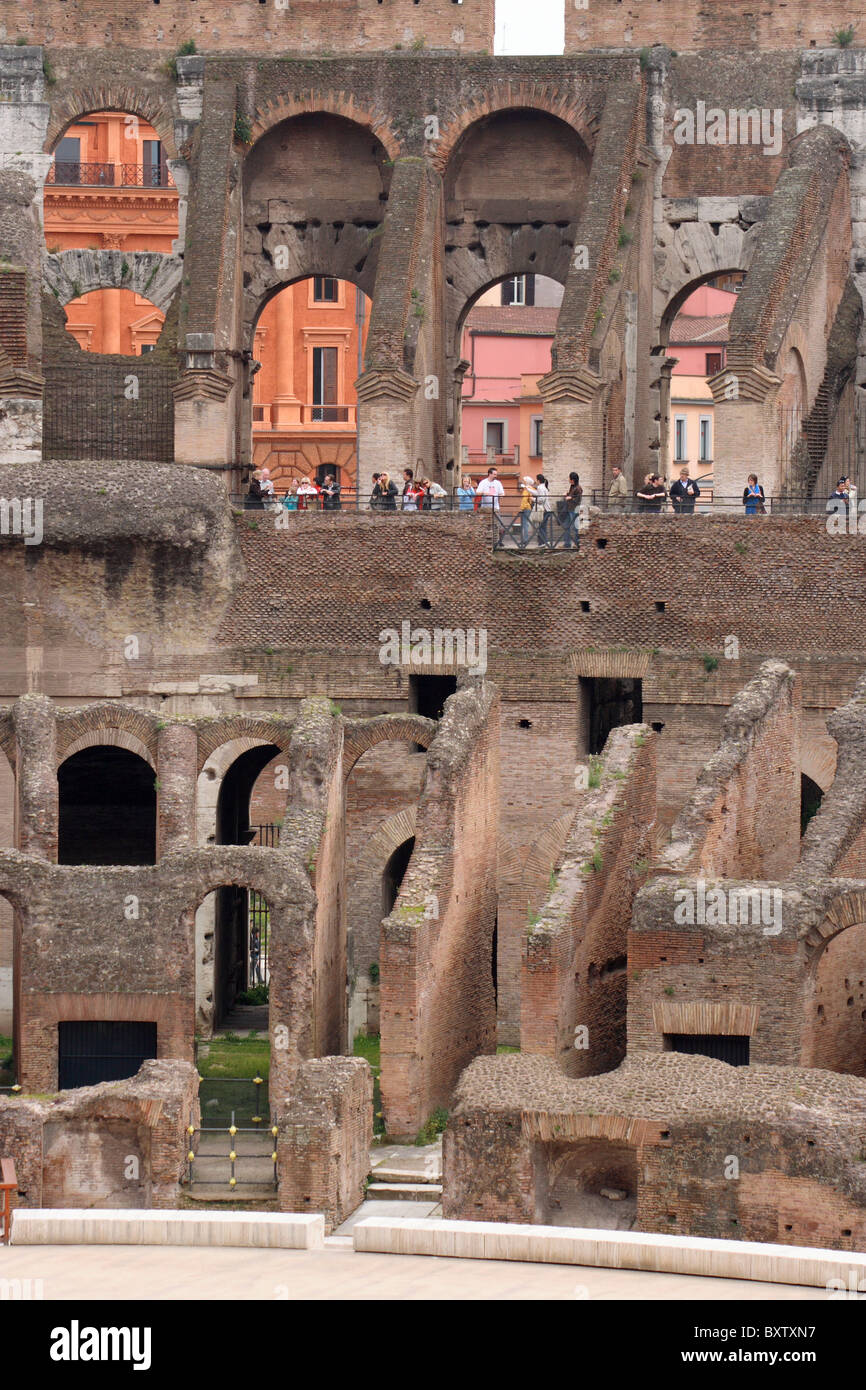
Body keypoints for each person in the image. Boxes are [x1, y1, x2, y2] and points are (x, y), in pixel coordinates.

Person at [562, 471, 582, 550]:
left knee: (576, 527)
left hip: (574, 510)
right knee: (566, 526)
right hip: (569, 509)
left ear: (573, 480)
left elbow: (578, 499)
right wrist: (567, 494)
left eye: (569, 478)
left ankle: (577, 544)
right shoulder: (572, 487)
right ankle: (567, 544)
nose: (568, 480)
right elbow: (571, 495)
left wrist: (570, 498)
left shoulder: (578, 488)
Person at [535, 472, 554, 547]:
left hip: (544, 510)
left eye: (536, 480)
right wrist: (529, 490)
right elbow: (538, 494)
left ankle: (543, 542)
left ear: (538, 480)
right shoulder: (544, 487)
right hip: (547, 509)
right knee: (543, 526)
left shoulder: (540, 487)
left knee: (541, 526)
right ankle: (543, 542)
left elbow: (541, 499)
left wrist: (533, 500)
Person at [518, 475, 536, 548]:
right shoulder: (529, 488)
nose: (523, 482)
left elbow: (525, 500)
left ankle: (525, 539)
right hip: (527, 507)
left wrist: (522, 508)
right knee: (525, 523)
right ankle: (524, 539)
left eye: (524, 481)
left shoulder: (528, 489)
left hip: (526, 507)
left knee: (525, 524)